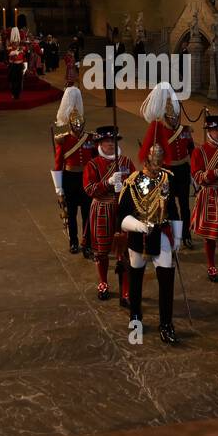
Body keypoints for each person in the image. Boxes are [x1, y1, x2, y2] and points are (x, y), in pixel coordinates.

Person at [118, 141, 181, 344]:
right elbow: (123, 215)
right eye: (154, 160)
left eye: (160, 161)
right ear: (145, 159)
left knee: (166, 279)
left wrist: (178, 236)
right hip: (138, 235)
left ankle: (166, 324)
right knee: (136, 278)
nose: (157, 165)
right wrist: (138, 226)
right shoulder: (133, 182)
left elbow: (173, 208)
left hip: (161, 233)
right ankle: (135, 318)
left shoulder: (167, 179)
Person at [139, 82, 196, 250]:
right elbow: (148, 154)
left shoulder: (185, 130)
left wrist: (196, 172)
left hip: (183, 170)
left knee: (185, 204)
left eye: (176, 116)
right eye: (171, 116)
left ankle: (186, 234)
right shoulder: (158, 130)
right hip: (166, 172)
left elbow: (192, 150)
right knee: (171, 205)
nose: (174, 119)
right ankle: (176, 235)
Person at [83, 126, 134, 303]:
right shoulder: (93, 164)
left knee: (125, 251)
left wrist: (127, 187)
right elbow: (89, 189)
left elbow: (136, 183)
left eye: (113, 141)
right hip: (102, 209)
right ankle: (103, 281)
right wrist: (108, 183)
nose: (111, 144)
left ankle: (126, 289)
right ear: (99, 144)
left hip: (122, 209)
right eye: (107, 141)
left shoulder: (126, 162)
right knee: (102, 251)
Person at [189, 114, 218, 282]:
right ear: (209, 130)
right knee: (210, 236)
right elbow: (197, 177)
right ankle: (211, 264)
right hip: (209, 196)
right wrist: (215, 173)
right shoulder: (199, 151)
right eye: (215, 130)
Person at [51, 87, 94, 259]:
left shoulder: (90, 139)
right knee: (71, 213)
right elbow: (58, 164)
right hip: (70, 179)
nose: (78, 127)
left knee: (86, 213)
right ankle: (73, 242)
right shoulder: (64, 140)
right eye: (75, 125)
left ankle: (88, 243)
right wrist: (59, 188)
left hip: (86, 180)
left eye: (80, 124)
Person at [7, 27, 27, 100]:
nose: (16, 43)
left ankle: (17, 94)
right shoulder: (10, 47)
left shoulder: (21, 47)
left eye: (17, 42)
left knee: (19, 80)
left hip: (20, 66)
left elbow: (24, 57)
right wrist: (18, 51)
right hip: (13, 66)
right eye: (15, 42)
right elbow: (10, 54)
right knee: (13, 80)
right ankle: (13, 93)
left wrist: (25, 66)